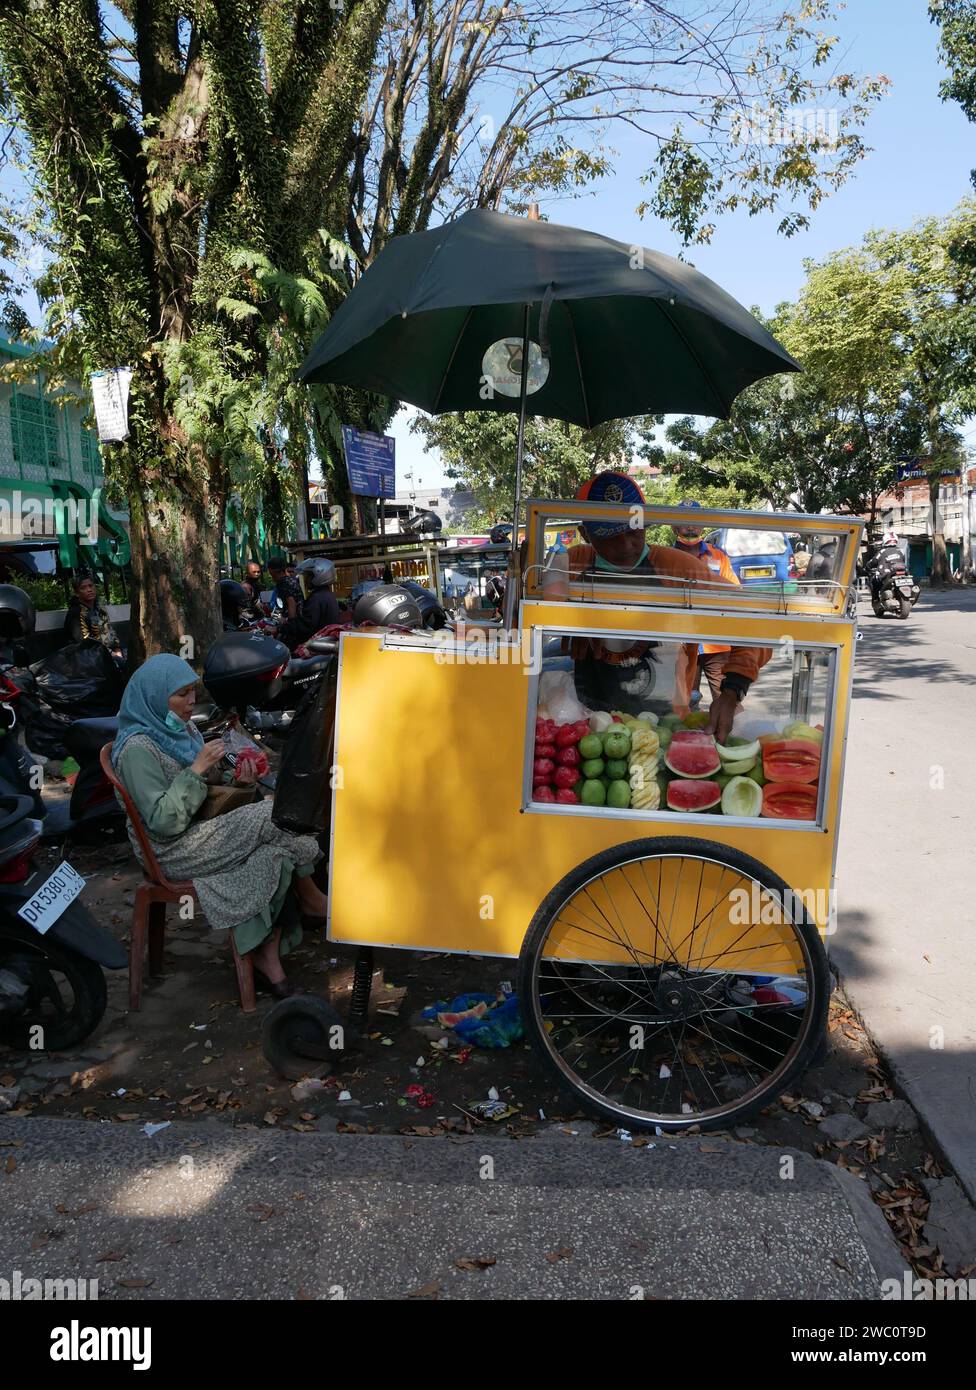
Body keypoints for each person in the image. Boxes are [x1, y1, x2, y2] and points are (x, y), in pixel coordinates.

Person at [112, 654, 328, 997]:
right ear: (154, 697)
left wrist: (238, 780)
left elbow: (210, 787)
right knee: (274, 815)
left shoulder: (181, 730)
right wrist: (196, 769)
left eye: (192, 692)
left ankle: (265, 957)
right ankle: (316, 902)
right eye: (181, 695)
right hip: (171, 849)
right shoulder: (137, 750)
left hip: (201, 830)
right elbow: (163, 821)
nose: (191, 702)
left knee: (272, 851)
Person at [549, 472, 770, 741]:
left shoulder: (679, 569)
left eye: (634, 531)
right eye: (610, 536)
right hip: (590, 728)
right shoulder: (572, 565)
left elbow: (756, 620)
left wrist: (732, 690)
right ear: (586, 534)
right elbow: (530, 621)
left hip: (667, 728)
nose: (626, 545)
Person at [672, 498, 740, 702]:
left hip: (716, 643)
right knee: (682, 705)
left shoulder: (719, 557)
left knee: (728, 703)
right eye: (685, 522)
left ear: (703, 524)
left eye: (695, 521)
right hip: (679, 644)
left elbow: (734, 592)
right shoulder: (665, 557)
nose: (691, 527)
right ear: (674, 526)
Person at [279, 557, 341, 648]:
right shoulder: (325, 594)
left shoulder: (317, 597)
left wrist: (280, 628)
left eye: (308, 576)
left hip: (317, 647)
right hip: (323, 644)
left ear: (318, 576)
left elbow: (305, 626)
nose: (306, 580)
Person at [64, 575, 123, 658]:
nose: (89, 590)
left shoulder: (99, 611)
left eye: (91, 586)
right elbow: (84, 642)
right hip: (88, 659)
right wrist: (112, 654)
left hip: (108, 654)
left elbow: (111, 634)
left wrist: (117, 650)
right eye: (83, 588)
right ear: (77, 593)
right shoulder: (75, 613)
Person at [267, 554, 303, 623]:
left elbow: (291, 603)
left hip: (295, 623)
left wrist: (289, 624)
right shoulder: (290, 580)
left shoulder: (283, 583)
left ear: (272, 570)